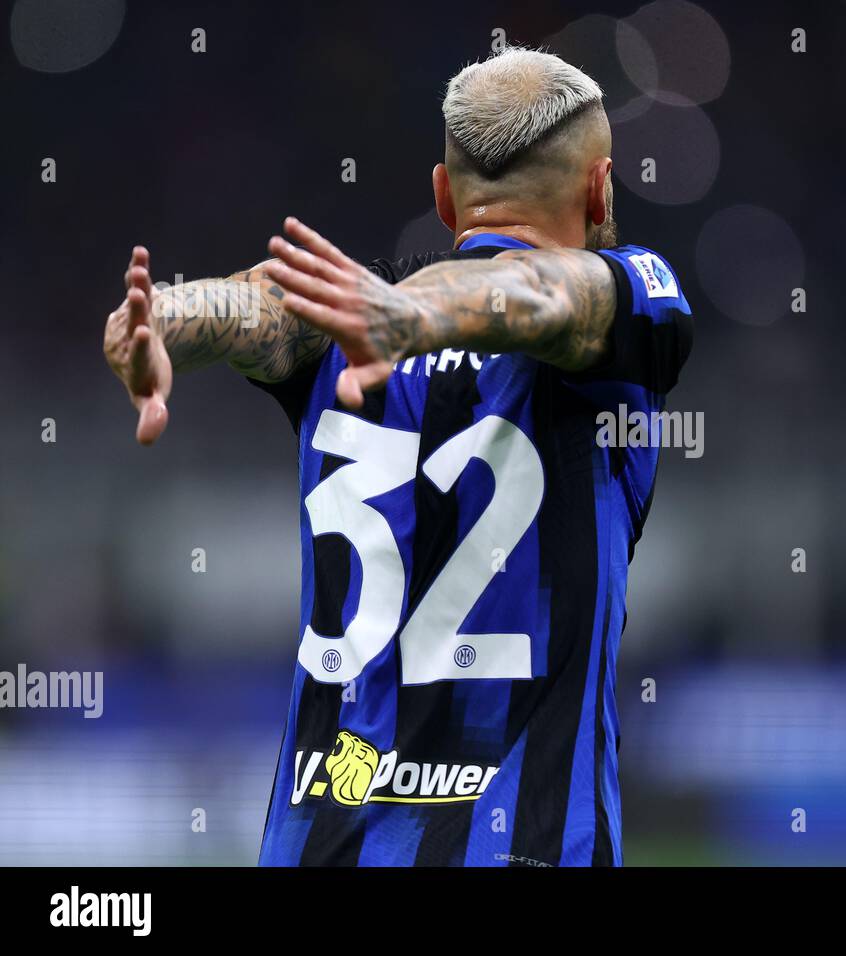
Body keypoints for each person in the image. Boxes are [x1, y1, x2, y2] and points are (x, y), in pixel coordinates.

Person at [101, 46, 693, 867]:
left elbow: (234, 308)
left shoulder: (338, 321)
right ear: (600, 190)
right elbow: (553, 297)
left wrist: (151, 327)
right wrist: (407, 316)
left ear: (445, 197)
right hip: (524, 849)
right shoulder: (636, 300)